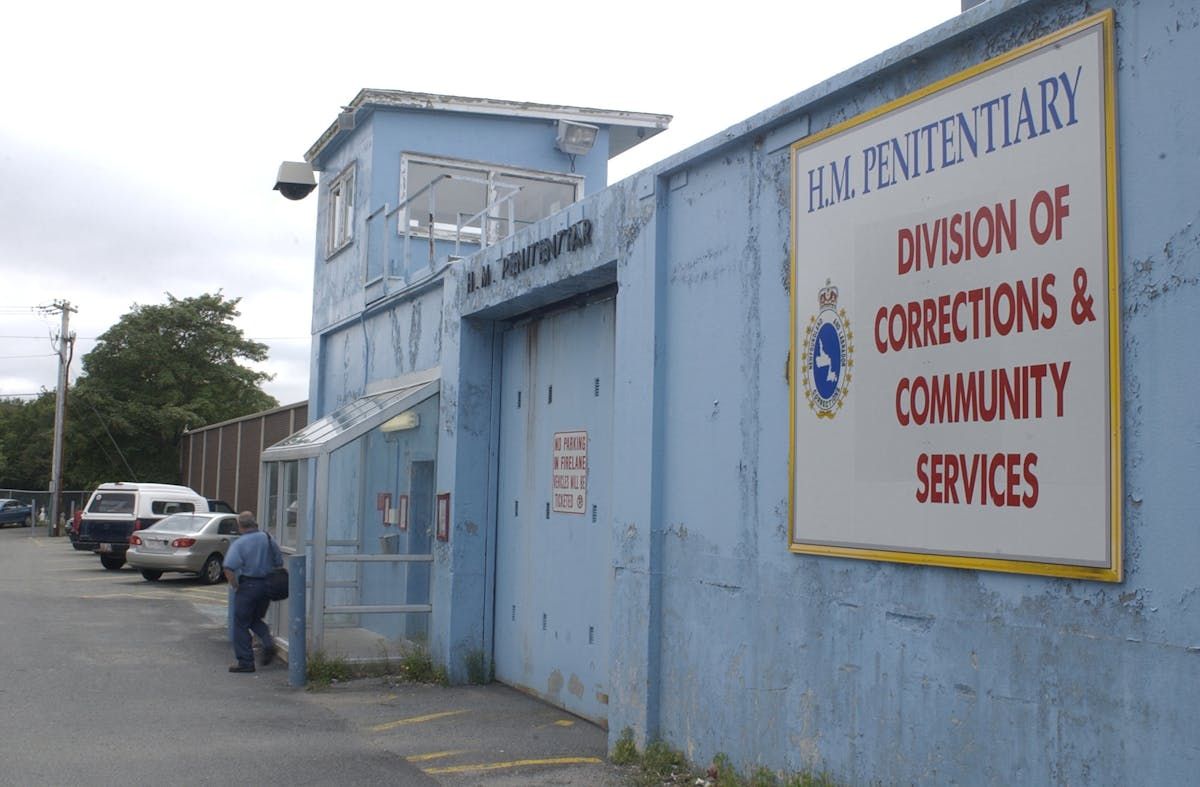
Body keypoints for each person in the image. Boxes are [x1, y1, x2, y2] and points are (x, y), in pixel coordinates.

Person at [223, 511, 283, 673]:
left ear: (240, 526)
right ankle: (268, 643)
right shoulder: (268, 538)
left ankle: (245, 662)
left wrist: (236, 586)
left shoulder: (240, 543)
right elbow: (279, 561)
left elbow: (228, 568)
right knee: (255, 618)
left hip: (249, 586)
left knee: (241, 623)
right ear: (254, 524)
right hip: (267, 586)